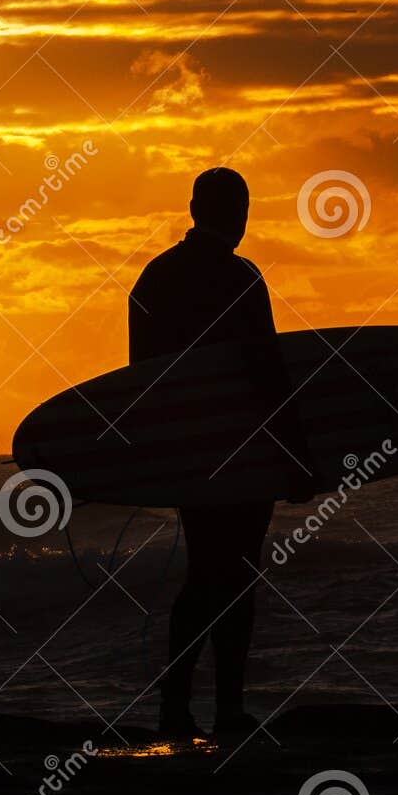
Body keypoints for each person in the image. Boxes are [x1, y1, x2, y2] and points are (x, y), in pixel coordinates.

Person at [128, 167, 316, 740]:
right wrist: (296, 454)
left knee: (206, 572)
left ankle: (177, 705)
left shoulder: (153, 277)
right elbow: (266, 372)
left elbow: (142, 379)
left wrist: (156, 459)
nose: (243, 219)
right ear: (233, 214)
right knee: (234, 576)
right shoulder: (240, 276)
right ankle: (226, 710)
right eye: (241, 208)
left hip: (190, 456)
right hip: (244, 452)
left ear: (192, 208)